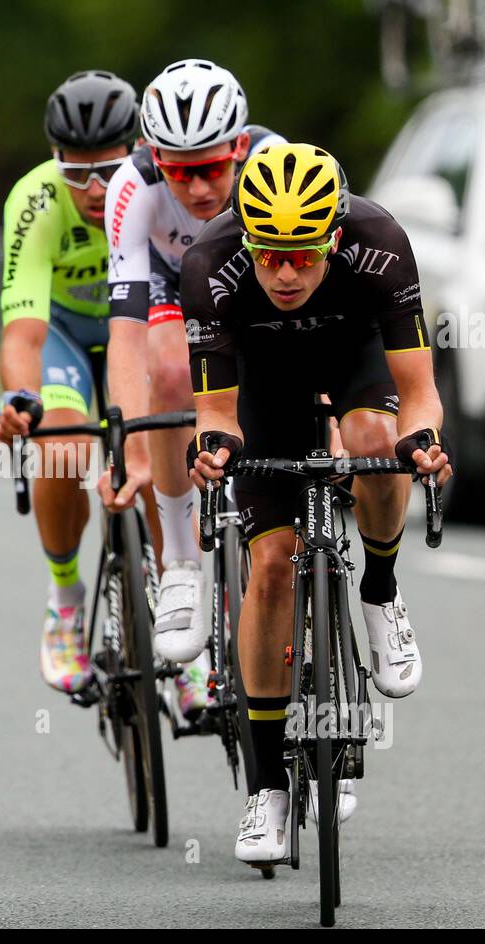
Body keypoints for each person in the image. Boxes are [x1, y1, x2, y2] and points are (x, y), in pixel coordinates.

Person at [182, 141, 452, 863]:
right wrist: (212, 447)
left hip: (353, 359)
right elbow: (215, 411)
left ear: (334, 236)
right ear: (248, 240)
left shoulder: (382, 243)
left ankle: (381, 591)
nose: (286, 271)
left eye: (303, 253)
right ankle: (266, 788)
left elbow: (419, 389)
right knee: (270, 563)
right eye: (269, 253)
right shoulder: (209, 264)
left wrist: (421, 438)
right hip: (262, 385)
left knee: (376, 435)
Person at [100, 58, 284, 718]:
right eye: (181, 171)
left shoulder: (275, 162)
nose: (200, 186)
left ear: (240, 145)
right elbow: (125, 335)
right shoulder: (133, 185)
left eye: (212, 166)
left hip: (258, 286)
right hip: (170, 289)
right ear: (154, 157)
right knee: (173, 369)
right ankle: (181, 560)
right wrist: (129, 443)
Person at [0, 70, 144, 695]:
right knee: (62, 449)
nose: (92, 188)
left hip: (139, 330)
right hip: (64, 336)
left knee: (160, 439)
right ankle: (65, 595)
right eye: (75, 172)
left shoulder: (155, 192)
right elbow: (21, 336)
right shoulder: (35, 200)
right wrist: (19, 401)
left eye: (107, 170)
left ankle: (177, 589)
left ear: (136, 150)